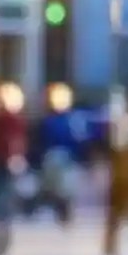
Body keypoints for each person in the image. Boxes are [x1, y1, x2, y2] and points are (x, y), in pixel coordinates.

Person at [32, 82, 86, 225]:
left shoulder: (72, 119)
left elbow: (79, 141)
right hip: (54, 156)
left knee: (65, 188)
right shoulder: (49, 121)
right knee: (55, 187)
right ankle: (55, 207)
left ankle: (62, 210)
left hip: (66, 157)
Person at [0, 82, 29, 255]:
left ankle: (3, 240)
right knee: (3, 203)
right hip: (5, 163)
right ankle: (3, 239)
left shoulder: (5, 119)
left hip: (2, 163)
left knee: (3, 203)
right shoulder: (9, 119)